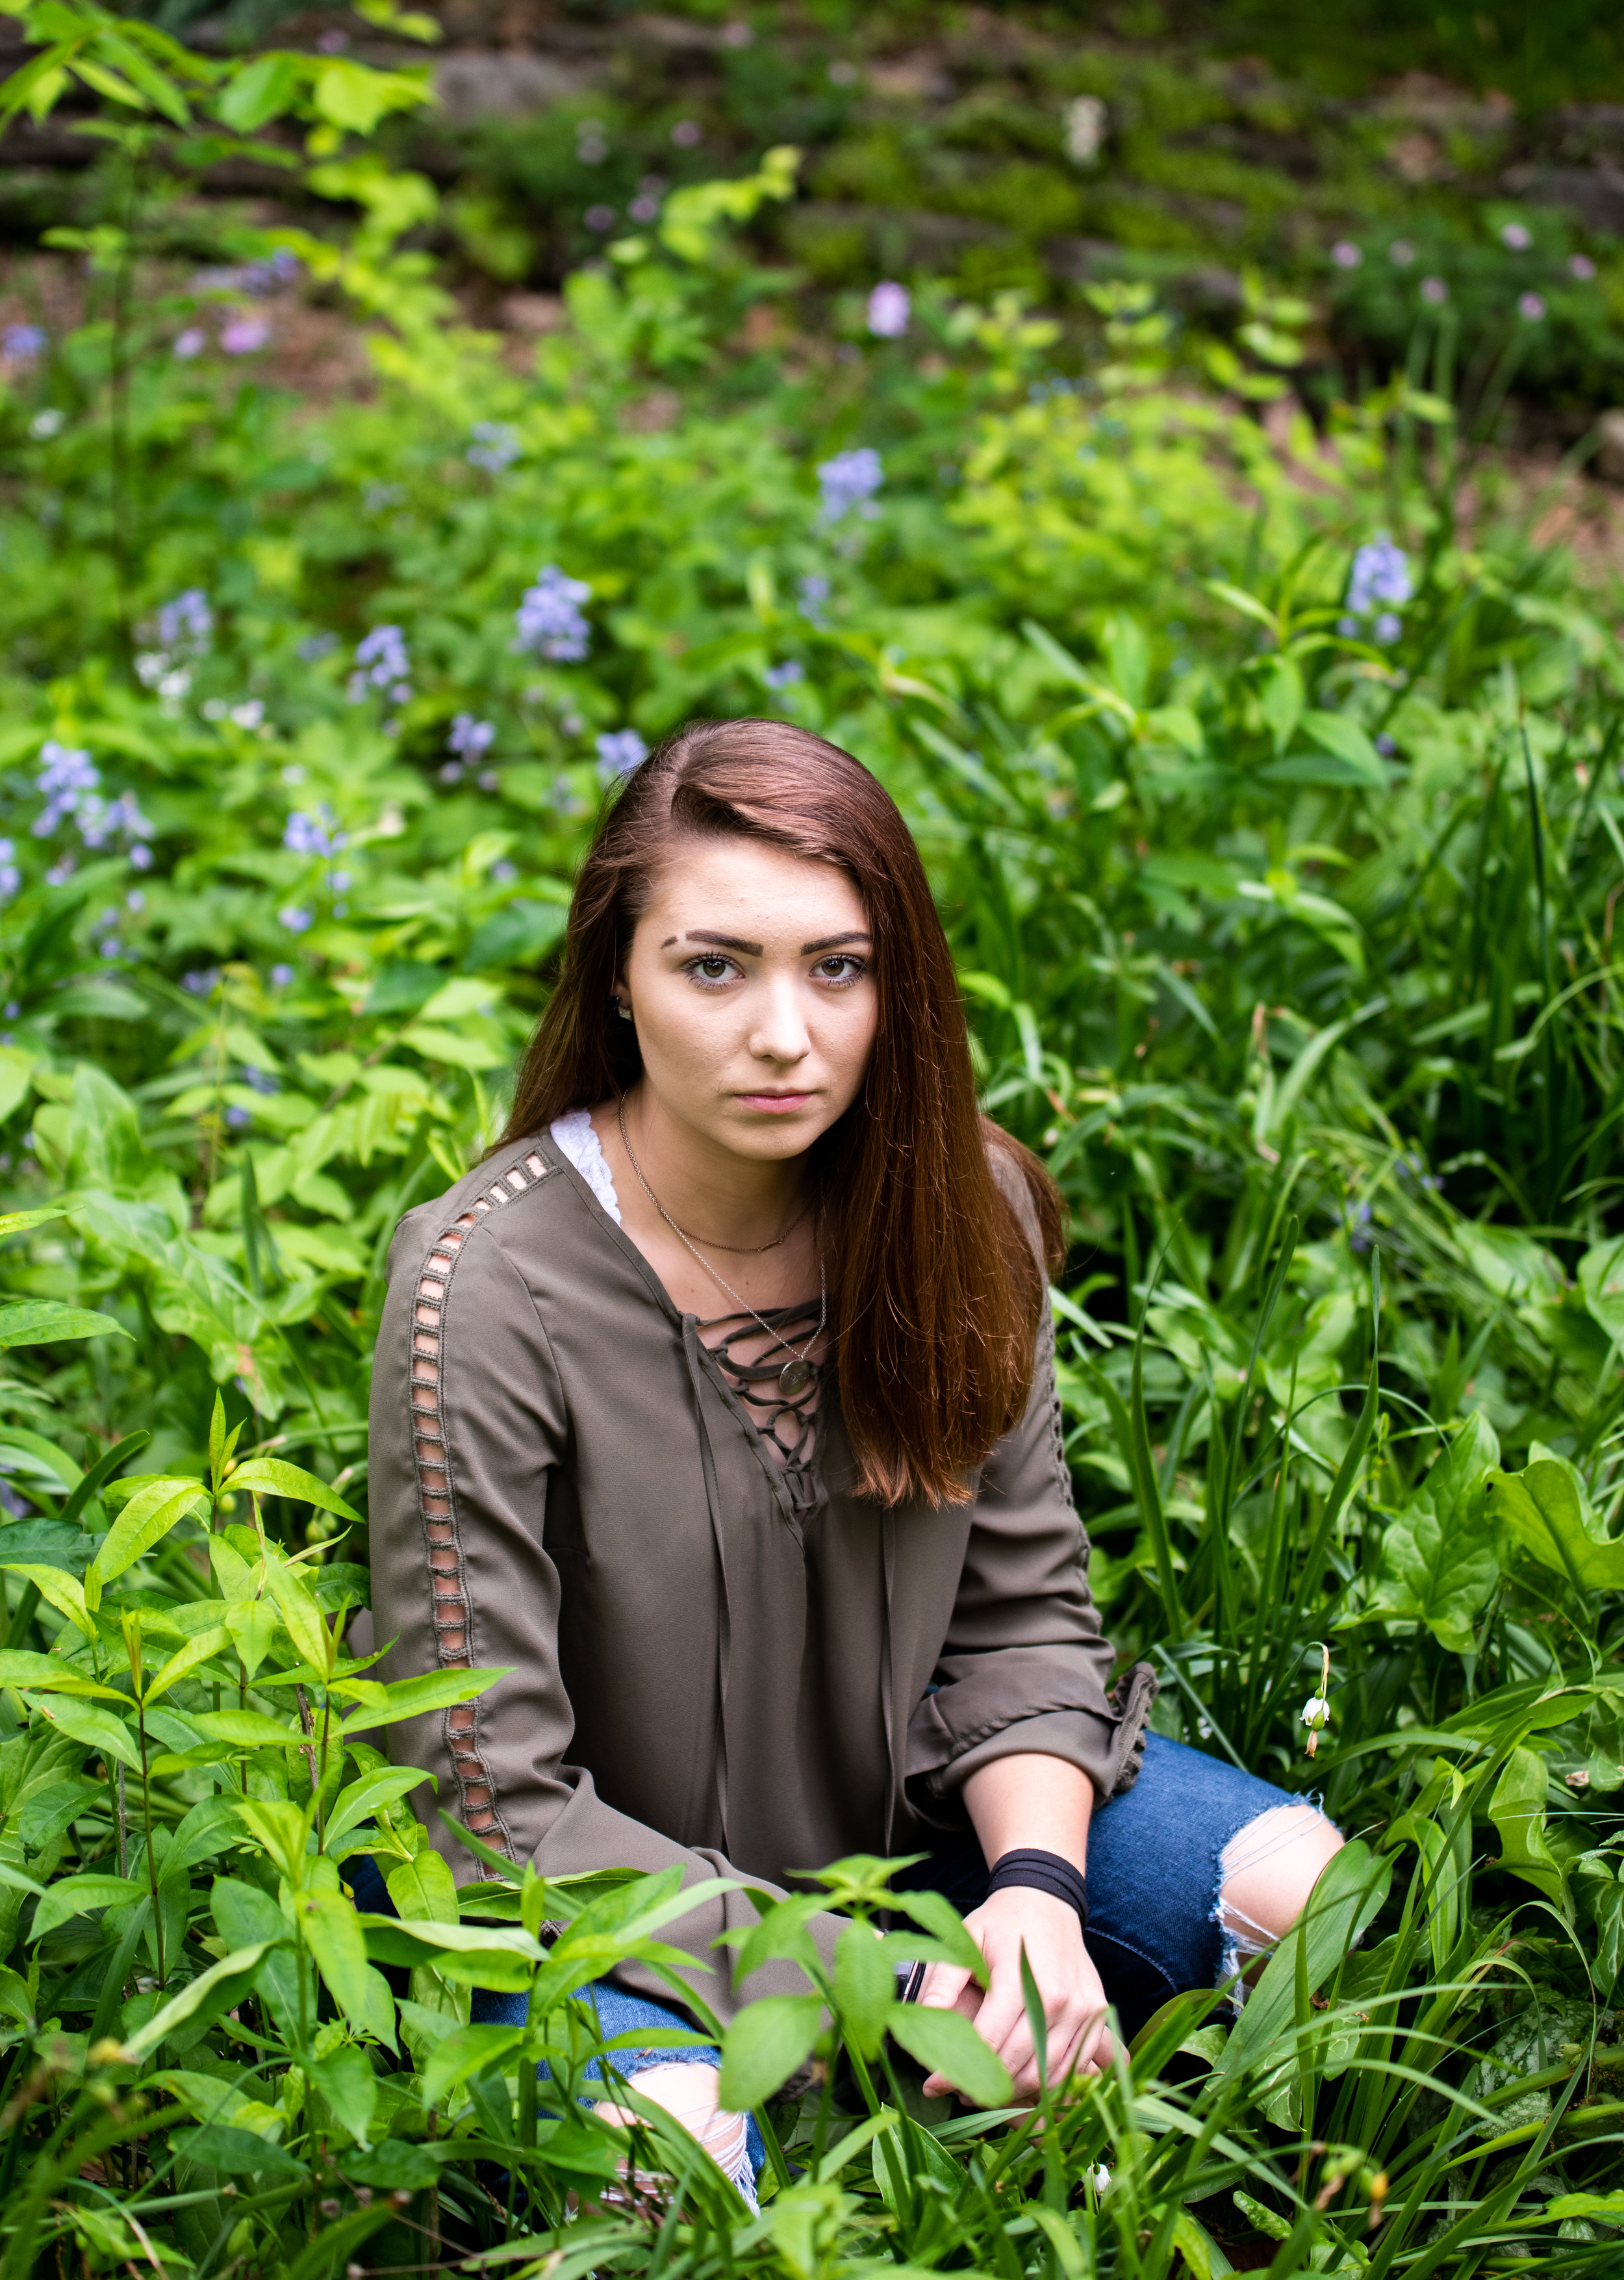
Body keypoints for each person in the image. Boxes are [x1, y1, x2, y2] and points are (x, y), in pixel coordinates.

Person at [366, 719, 1342, 2205]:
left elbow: (1021, 1620)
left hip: (910, 1837)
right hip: (607, 1905)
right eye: (713, 967)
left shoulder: (960, 1207)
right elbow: (488, 1803)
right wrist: (877, 1981)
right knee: (670, 2167)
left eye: (837, 967)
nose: (784, 1033)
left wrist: (1031, 1900)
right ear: (617, 977)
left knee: (1305, 1897)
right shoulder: (483, 1285)